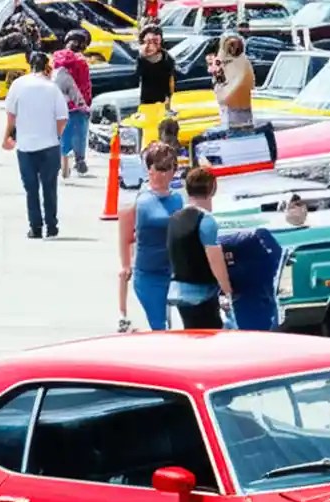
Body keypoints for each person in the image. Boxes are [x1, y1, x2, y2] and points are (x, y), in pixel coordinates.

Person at [3, 51, 69, 238]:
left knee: (31, 189)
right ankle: (52, 225)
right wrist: (54, 135)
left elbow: (11, 115)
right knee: (49, 187)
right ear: (46, 66)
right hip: (49, 146)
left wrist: (7, 136)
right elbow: (62, 118)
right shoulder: (52, 88)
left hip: (25, 146)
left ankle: (36, 227)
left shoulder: (18, 85)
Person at [119, 142, 183, 330]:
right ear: (149, 170)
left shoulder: (179, 199)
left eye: (168, 169)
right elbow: (125, 237)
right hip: (149, 274)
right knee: (158, 326)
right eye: (158, 169)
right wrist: (125, 265)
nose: (163, 174)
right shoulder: (138, 200)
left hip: (177, 273)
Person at [167, 167, 232, 329]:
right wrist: (227, 290)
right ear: (212, 190)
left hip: (177, 291)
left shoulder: (175, 219)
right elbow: (215, 260)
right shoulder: (206, 221)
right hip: (202, 295)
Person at [53, 29, 92, 178]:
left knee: (61, 134)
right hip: (76, 105)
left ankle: (60, 160)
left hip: (59, 104)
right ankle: (79, 160)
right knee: (79, 133)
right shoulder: (81, 62)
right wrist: (86, 103)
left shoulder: (55, 59)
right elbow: (84, 85)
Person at [214, 35, 254, 132]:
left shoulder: (233, 62)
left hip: (236, 105)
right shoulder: (243, 61)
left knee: (238, 130)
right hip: (239, 106)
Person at [137, 25, 175, 110]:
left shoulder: (167, 59)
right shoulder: (139, 59)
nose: (151, 46)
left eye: (155, 42)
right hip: (144, 104)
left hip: (162, 104)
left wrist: (169, 102)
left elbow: (171, 84)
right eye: (148, 42)